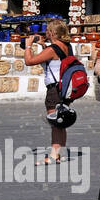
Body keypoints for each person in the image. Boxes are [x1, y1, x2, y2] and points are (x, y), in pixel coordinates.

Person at [23, 19, 74, 165]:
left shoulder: (52, 49)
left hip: (54, 90)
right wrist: (44, 46)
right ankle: (60, 153)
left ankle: (53, 156)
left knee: (55, 123)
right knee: (61, 121)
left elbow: (29, 61)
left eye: (47, 31)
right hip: (65, 88)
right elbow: (57, 61)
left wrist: (28, 46)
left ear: (51, 32)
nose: (45, 33)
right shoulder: (67, 46)